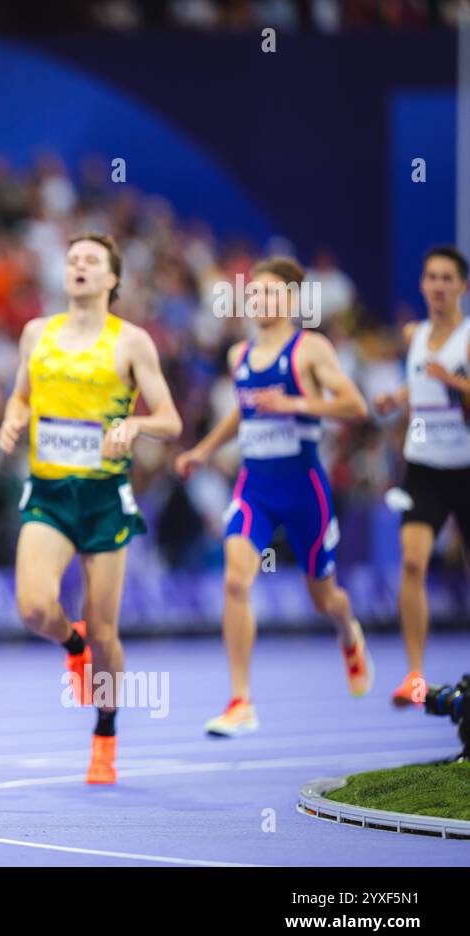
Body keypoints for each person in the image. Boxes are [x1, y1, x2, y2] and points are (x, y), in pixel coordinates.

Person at [0, 232, 181, 784]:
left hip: (103, 498)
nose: (79, 266)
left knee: (107, 630)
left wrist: (138, 425)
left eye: (91, 261)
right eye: (72, 258)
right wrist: (13, 417)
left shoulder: (132, 342)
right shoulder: (37, 333)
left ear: (111, 280)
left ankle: (105, 733)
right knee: (33, 608)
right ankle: (69, 641)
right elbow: (20, 396)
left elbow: (171, 421)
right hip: (50, 493)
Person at [176, 256, 373, 735]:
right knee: (236, 581)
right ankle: (241, 701)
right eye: (254, 294)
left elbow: (356, 406)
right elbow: (242, 412)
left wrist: (296, 403)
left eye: (269, 294)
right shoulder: (238, 356)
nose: (259, 302)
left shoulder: (311, 349)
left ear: (291, 300)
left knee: (323, 597)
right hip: (255, 488)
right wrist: (201, 450)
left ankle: (348, 630)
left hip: (304, 489)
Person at [375, 246, 470, 706]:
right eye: (431, 277)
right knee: (412, 561)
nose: (438, 285)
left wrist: (455, 383)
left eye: (447, 278)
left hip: (466, 465)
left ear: (462, 287)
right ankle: (415, 676)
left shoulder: (468, 337)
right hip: (424, 466)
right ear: (421, 285)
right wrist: (396, 396)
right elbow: (422, 378)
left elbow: (444, 378)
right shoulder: (414, 333)